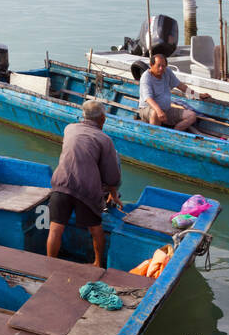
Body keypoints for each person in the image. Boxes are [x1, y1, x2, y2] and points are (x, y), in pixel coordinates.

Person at [46, 100, 123, 266]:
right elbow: (111, 176)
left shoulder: (69, 129)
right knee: (95, 229)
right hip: (87, 189)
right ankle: (97, 264)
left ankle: (50, 264)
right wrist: (113, 193)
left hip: (61, 183)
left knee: (55, 228)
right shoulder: (104, 139)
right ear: (102, 119)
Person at [138, 53, 211, 132]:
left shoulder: (167, 72)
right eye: (158, 66)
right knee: (155, 113)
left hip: (166, 109)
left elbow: (180, 86)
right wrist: (159, 111)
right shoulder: (146, 77)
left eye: (163, 66)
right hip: (148, 110)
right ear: (151, 65)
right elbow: (148, 98)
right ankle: (154, 136)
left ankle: (174, 133)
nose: (161, 68)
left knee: (192, 116)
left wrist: (197, 95)